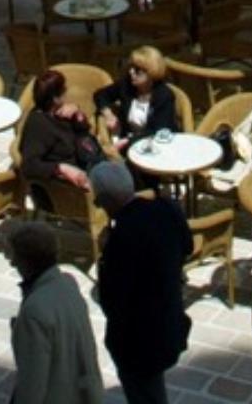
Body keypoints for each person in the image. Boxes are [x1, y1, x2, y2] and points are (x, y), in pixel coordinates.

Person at [93, 158, 192, 404]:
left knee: (145, 396)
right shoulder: (166, 210)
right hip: (169, 322)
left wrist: (105, 253)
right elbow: (187, 246)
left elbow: (111, 299)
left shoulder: (121, 239)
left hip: (138, 344)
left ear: (106, 200)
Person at [4, 220, 103, 404]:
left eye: (15, 257)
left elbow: (32, 385)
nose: (12, 263)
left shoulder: (34, 311)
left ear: (24, 261)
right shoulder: (69, 285)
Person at [19, 70, 105, 195]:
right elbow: (29, 165)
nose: (67, 92)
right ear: (55, 98)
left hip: (89, 163)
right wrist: (61, 168)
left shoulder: (57, 112)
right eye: (64, 90)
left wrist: (76, 112)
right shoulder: (39, 125)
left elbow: (83, 130)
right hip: (70, 189)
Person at [95, 47, 178, 153]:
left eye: (137, 70)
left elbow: (158, 130)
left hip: (157, 147)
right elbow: (100, 95)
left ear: (151, 72)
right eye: (131, 67)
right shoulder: (126, 85)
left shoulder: (164, 95)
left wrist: (128, 141)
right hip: (129, 143)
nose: (131, 72)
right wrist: (108, 113)